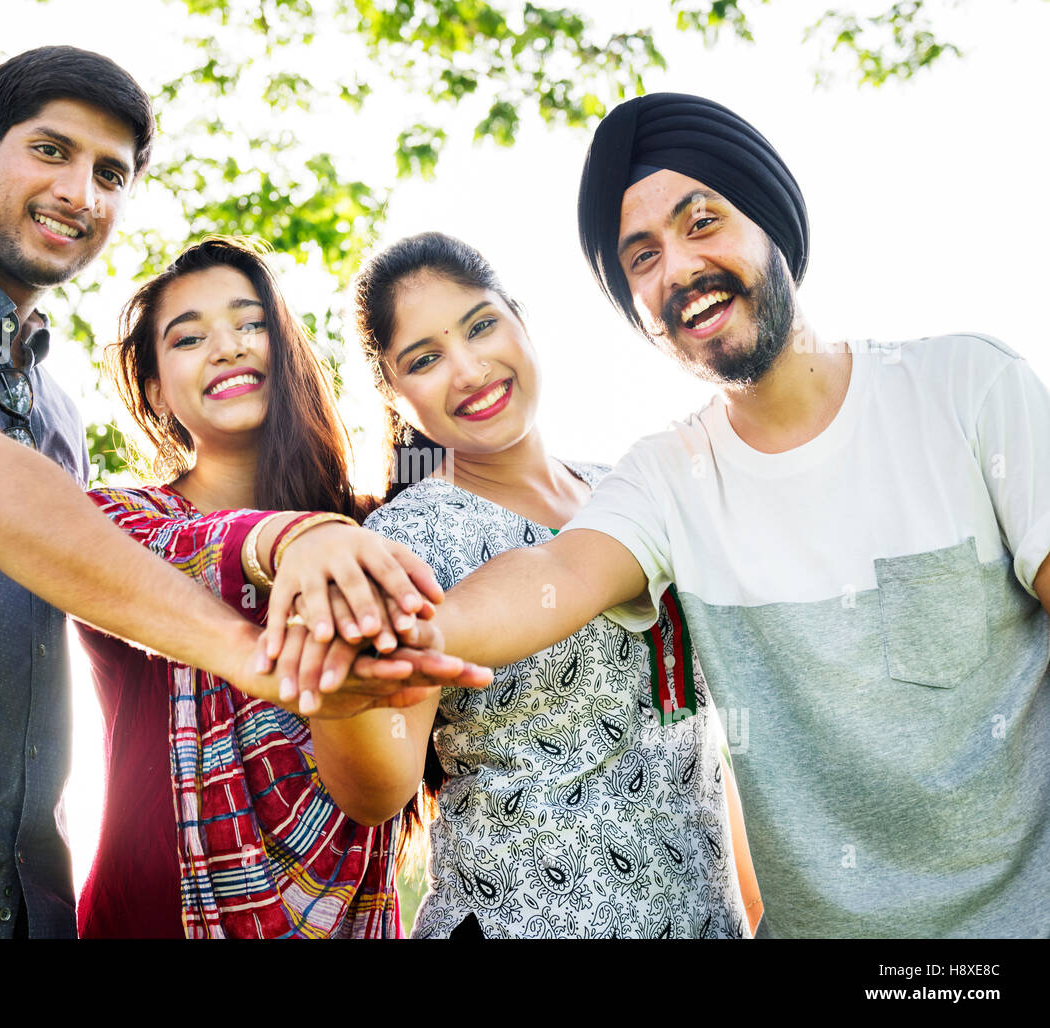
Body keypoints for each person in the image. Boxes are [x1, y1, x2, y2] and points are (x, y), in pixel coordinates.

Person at [281, 92, 1048, 938]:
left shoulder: (968, 391)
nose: (678, 269)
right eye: (641, 257)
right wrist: (368, 635)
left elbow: (701, 758)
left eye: (702, 221)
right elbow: (552, 574)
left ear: (771, 218)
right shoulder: (664, 478)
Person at [0, 46, 453, 940]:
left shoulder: (54, 413)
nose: (80, 192)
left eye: (109, 173)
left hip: (9, 911)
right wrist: (262, 649)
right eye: (52, 151)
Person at [297, 230, 760, 938]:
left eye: (481, 325)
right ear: (396, 394)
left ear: (519, 317)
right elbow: (379, 789)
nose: (469, 368)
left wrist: (751, 913)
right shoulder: (402, 545)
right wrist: (337, 689)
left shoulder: (625, 492)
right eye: (425, 358)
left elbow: (691, 744)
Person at [74, 237, 487, 938]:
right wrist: (293, 540)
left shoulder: (374, 531)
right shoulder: (115, 521)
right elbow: (159, 553)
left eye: (250, 322)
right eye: (189, 338)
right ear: (155, 390)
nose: (227, 347)